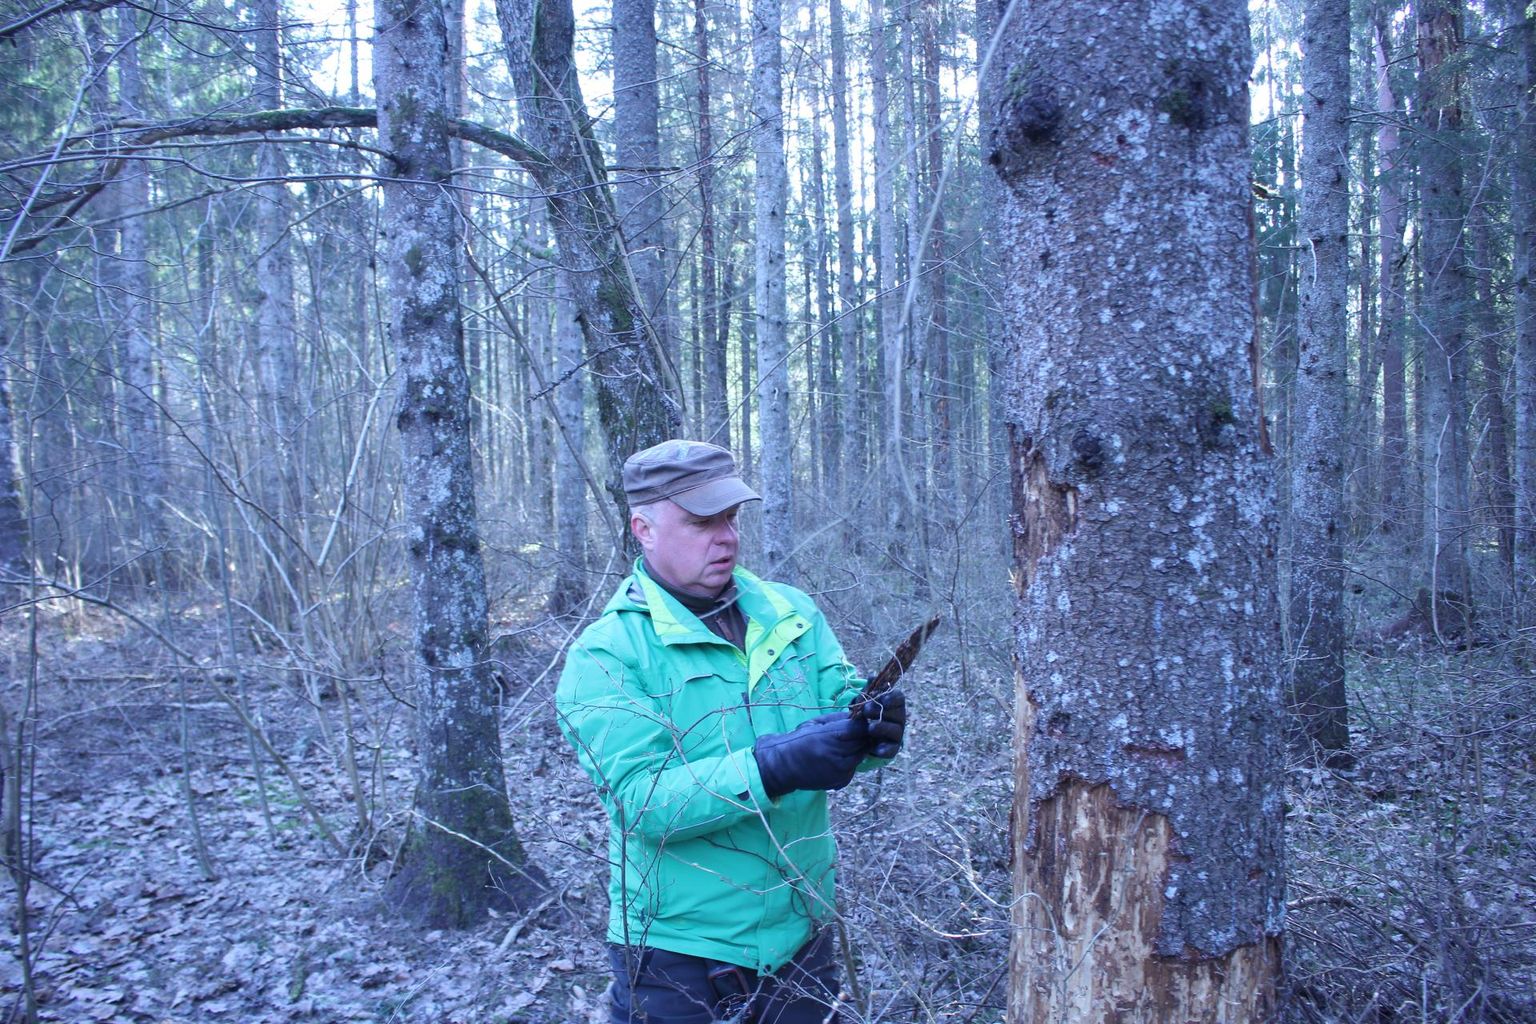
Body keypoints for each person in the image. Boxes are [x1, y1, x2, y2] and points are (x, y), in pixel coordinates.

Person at [556, 439, 908, 1024]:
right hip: (680, 957)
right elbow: (644, 804)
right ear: (643, 528)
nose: (726, 536)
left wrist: (870, 733)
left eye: (731, 516)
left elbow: (835, 724)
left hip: (801, 934)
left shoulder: (789, 614)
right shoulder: (608, 655)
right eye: (701, 522)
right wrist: (774, 765)